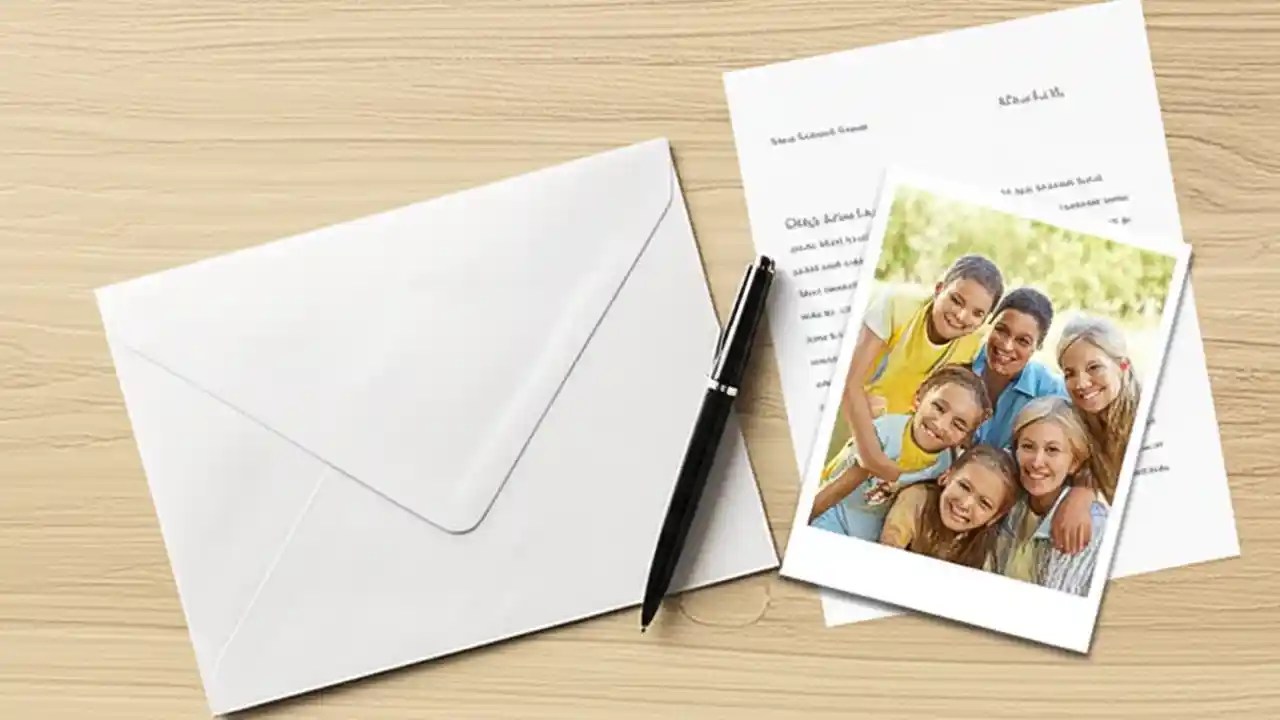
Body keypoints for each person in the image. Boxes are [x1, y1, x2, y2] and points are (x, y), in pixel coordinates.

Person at [839, 255, 1004, 488]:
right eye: (956, 300)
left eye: (977, 313)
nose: (962, 316)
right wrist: (872, 457)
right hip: (853, 417)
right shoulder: (896, 305)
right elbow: (849, 382)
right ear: (939, 289)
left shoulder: (974, 343)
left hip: (900, 438)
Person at [809, 365, 991, 542]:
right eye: (939, 408)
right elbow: (836, 489)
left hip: (872, 538)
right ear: (918, 398)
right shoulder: (884, 435)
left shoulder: (945, 464)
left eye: (958, 425)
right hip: (835, 518)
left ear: (964, 438)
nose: (941, 424)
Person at [994, 396, 1108, 596]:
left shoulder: (1093, 528)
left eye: (1052, 450)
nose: (1037, 462)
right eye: (1028, 446)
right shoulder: (1009, 501)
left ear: (1074, 462)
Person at [878, 444, 1021, 569]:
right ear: (946, 476)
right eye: (964, 486)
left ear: (995, 517)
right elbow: (887, 558)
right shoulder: (917, 500)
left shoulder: (992, 545)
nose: (965, 504)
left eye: (984, 503)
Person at [1056, 315, 1140, 505]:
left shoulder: (1149, 417)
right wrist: (1082, 489)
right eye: (1070, 374)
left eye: (1094, 367)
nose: (1081, 384)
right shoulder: (1078, 424)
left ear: (1123, 365)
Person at [969, 287, 1066, 449]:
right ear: (990, 324)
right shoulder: (961, 361)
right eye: (1001, 330)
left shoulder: (1051, 392)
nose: (1006, 346)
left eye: (1022, 341)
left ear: (1038, 346)